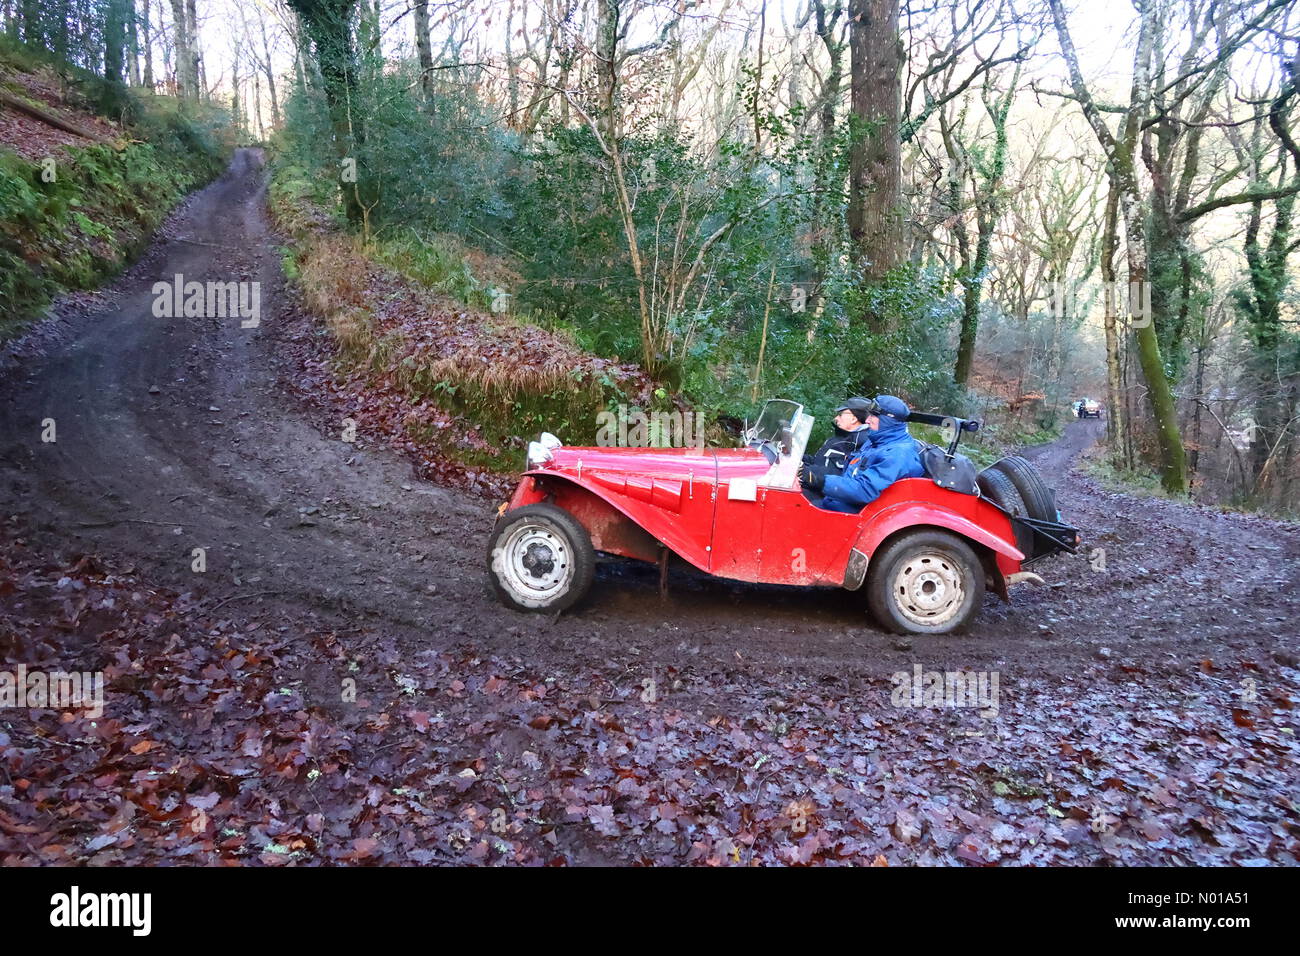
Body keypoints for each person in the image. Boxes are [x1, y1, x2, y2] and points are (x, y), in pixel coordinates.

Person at [798, 395, 925, 513]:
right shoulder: (876, 442)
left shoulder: (897, 454)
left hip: (849, 514)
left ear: (887, 420)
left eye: (873, 416)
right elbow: (849, 473)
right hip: (836, 501)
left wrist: (817, 479)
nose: (867, 420)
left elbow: (864, 489)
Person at [802, 397, 872, 476]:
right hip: (811, 480)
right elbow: (818, 461)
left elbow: (837, 475)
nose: (836, 418)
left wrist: (804, 469)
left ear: (853, 419)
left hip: (819, 485)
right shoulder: (843, 436)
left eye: (840, 415)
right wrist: (797, 458)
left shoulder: (858, 443)